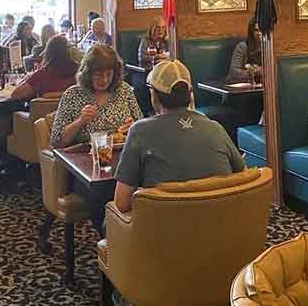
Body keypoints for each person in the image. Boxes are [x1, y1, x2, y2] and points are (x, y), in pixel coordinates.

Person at [114, 60, 246, 213]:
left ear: (154, 95)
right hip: (220, 227)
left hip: (164, 233)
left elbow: (122, 203)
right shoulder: (216, 128)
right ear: (190, 94)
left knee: (107, 219)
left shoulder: (139, 131)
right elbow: (243, 178)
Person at [50, 44, 141, 147]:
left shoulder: (124, 89)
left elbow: (142, 127)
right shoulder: (73, 95)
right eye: (99, 74)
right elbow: (57, 141)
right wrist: (80, 121)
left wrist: (133, 126)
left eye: (109, 74)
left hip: (123, 154)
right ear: (87, 73)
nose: (105, 80)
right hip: (84, 158)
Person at [12, 35, 78, 100]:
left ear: (48, 52)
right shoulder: (79, 71)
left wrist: (28, 77)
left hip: (44, 110)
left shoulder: (41, 74)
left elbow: (15, 94)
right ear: (68, 51)